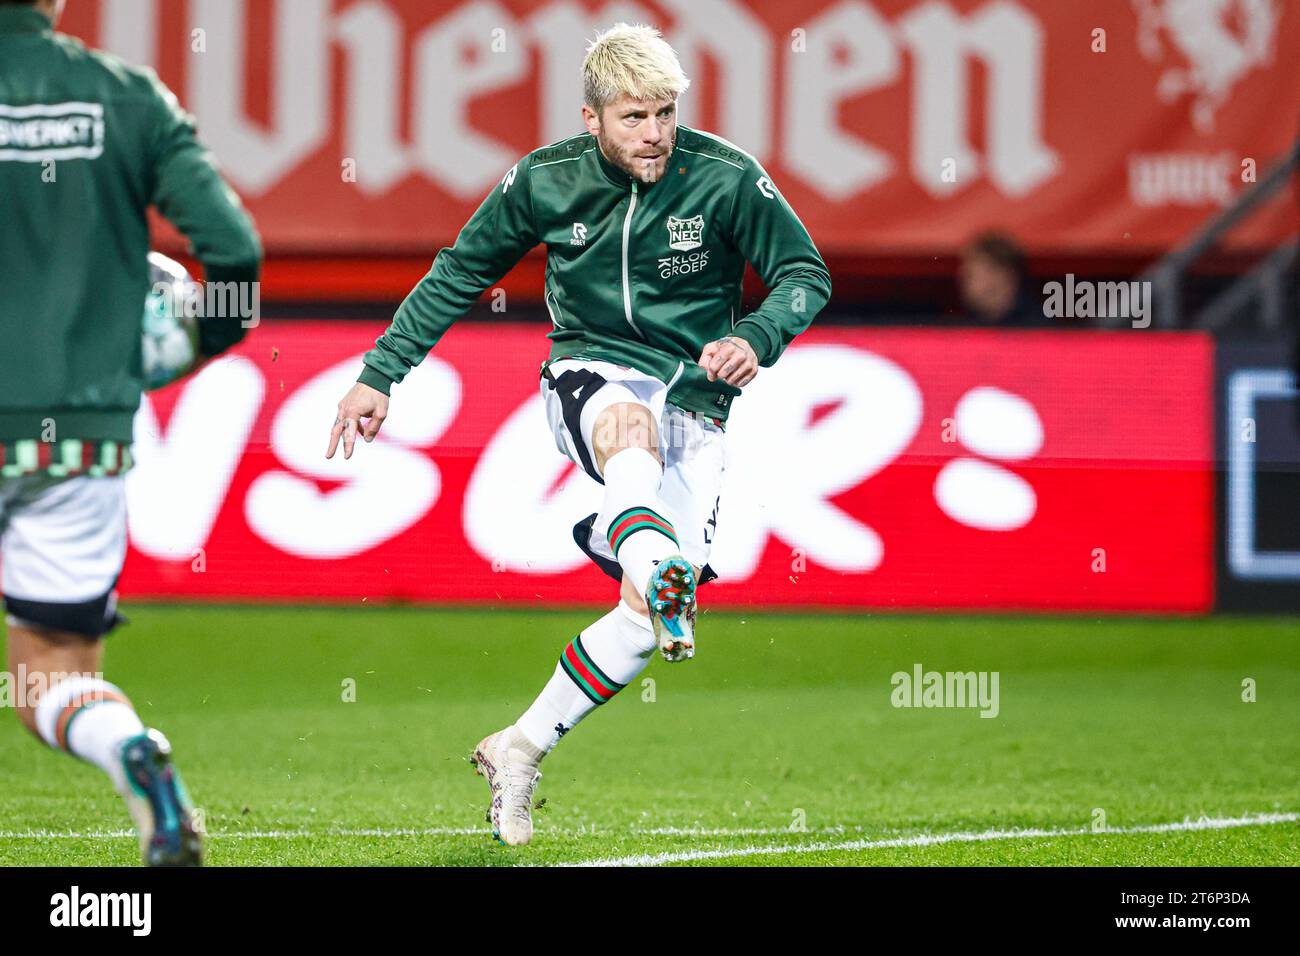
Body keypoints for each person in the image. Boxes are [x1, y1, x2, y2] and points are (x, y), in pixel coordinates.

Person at [327, 22, 831, 846]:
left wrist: (756, 337)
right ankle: (642, 548)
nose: (656, 134)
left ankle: (519, 747)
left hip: (697, 401)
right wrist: (381, 372)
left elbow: (804, 274)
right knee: (628, 428)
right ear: (591, 118)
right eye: (634, 117)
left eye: (666, 113)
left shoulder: (728, 178)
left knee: (644, 616)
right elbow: (461, 270)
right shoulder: (544, 179)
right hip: (591, 375)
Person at [0, 0, 262, 865]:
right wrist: (194, 343)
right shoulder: (127, 96)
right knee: (54, 675)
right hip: (77, 437)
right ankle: (130, 751)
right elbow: (234, 254)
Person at [958, 231, 1045, 326]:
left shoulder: (1040, 330)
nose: (962, 281)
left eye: (971, 275)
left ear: (1002, 276)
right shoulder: (966, 327)